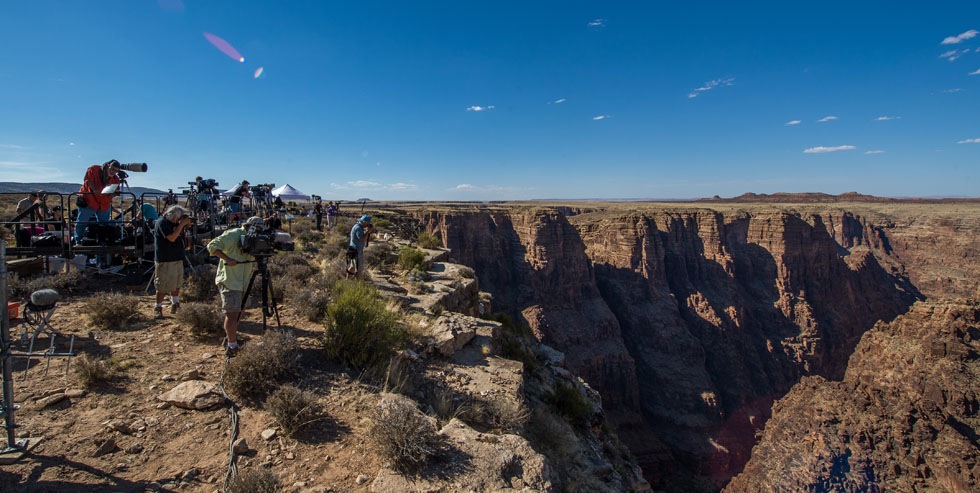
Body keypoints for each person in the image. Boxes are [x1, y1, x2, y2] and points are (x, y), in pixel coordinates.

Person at [207, 215, 260, 356]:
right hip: (230, 280)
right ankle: (232, 346)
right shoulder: (233, 235)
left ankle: (230, 337)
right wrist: (227, 259)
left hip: (243, 282)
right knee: (232, 314)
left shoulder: (256, 238)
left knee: (240, 311)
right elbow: (212, 246)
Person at [153, 205, 193, 319]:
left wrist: (185, 226)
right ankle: (158, 307)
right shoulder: (162, 223)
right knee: (162, 285)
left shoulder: (175, 224)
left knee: (177, 283)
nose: (179, 220)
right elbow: (171, 238)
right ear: (174, 216)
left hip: (177, 257)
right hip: (166, 259)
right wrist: (181, 225)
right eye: (179, 218)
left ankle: (175, 303)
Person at [75, 160, 121, 243]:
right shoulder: (94, 169)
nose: (113, 172)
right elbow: (88, 180)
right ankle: (78, 241)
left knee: (104, 224)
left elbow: (116, 191)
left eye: (116, 171)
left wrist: (113, 193)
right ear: (108, 165)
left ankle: (102, 242)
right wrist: (95, 190)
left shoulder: (115, 179)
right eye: (112, 169)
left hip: (104, 204)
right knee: (81, 222)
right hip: (89, 200)